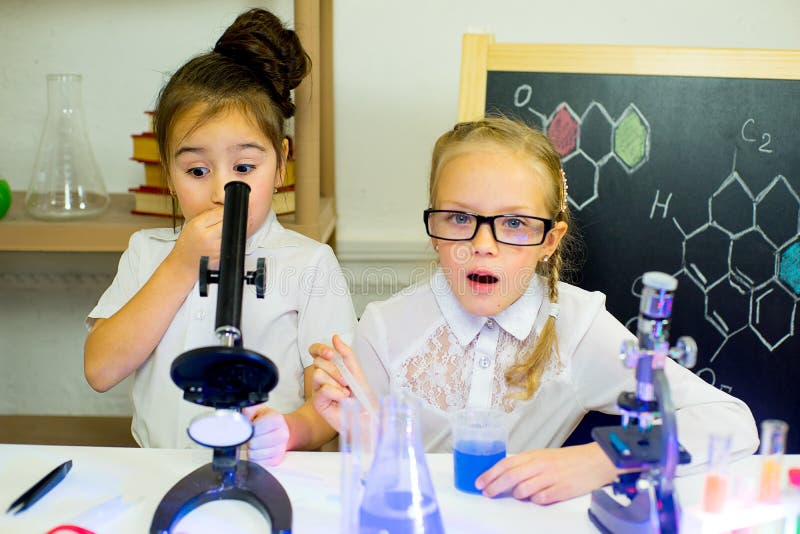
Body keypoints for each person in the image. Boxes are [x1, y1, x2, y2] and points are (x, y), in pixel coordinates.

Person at [310, 116, 758, 504]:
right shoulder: (384, 329)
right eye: (460, 218)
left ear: (549, 240)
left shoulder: (577, 327)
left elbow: (730, 421)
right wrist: (362, 433)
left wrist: (605, 460)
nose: (482, 245)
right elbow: (369, 481)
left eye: (514, 223)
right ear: (434, 227)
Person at [84, 8, 355, 466]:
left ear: (281, 163)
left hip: (272, 470)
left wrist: (287, 431)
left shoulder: (310, 263)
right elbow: (100, 370)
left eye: (244, 167)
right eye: (196, 170)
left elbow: (330, 404)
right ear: (168, 174)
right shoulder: (147, 253)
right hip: (161, 471)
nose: (221, 191)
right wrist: (180, 265)